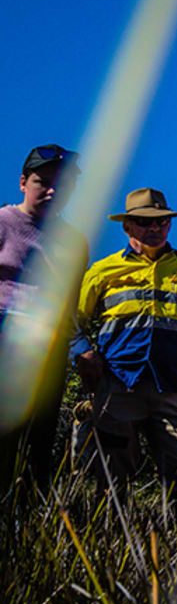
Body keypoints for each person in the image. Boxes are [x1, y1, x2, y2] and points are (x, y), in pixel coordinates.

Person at [73, 188, 177, 507]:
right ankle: (110, 545)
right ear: (127, 227)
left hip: (176, 389)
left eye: (162, 222)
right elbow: (71, 321)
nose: (155, 229)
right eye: (145, 222)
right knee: (111, 476)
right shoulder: (102, 271)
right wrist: (83, 352)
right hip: (117, 388)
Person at [0, 144, 87, 489]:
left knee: (39, 440)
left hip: (48, 347)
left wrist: (81, 349)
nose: (52, 191)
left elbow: (69, 307)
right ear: (23, 182)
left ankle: (28, 525)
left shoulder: (74, 243)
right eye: (42, 181)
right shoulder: (4, 222)